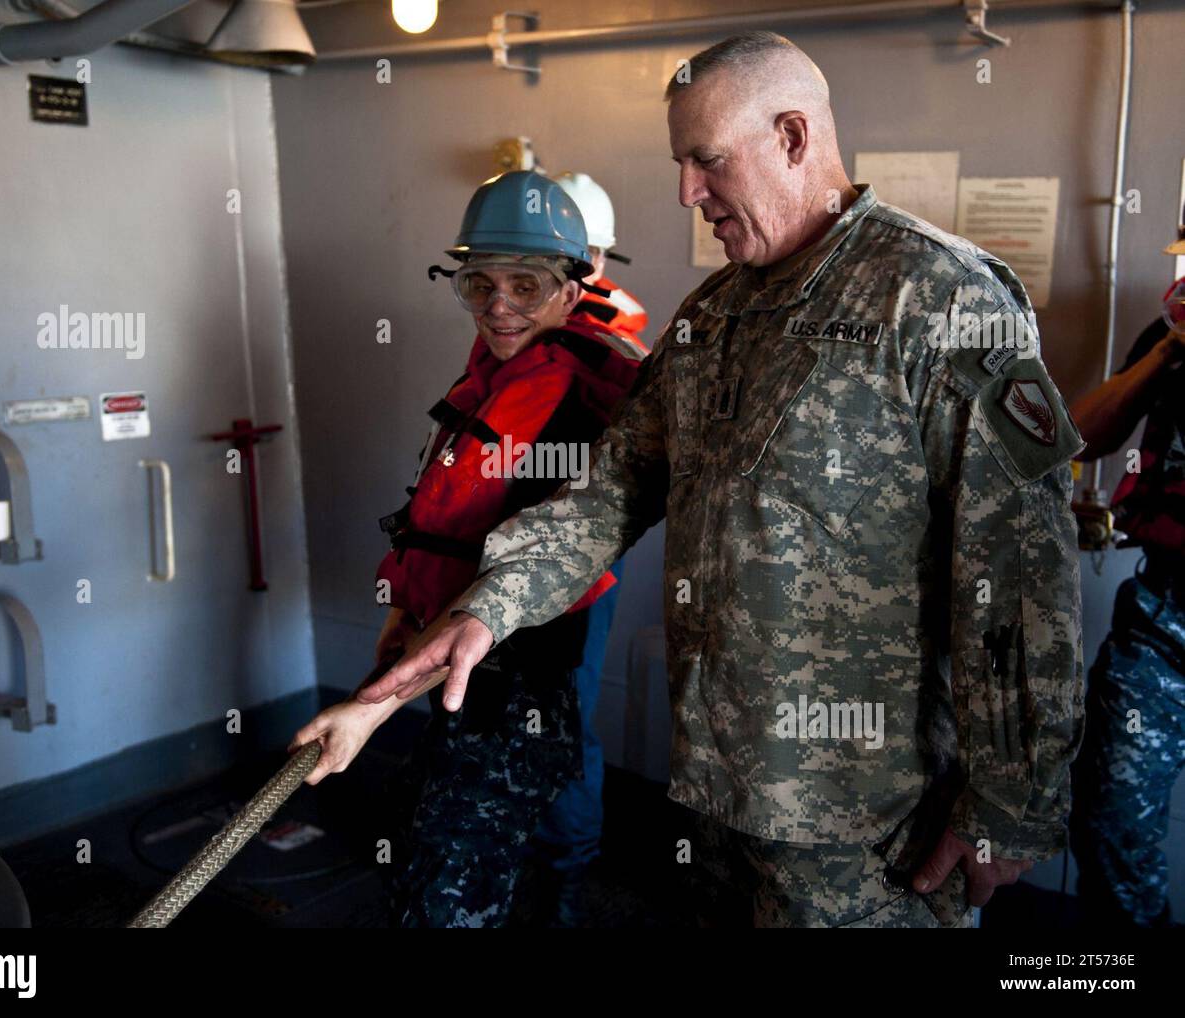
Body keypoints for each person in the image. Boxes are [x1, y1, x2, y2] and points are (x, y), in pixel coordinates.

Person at [360, 32, 1086, 928]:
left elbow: (1019, 572)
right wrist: (489, 606)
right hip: (715, 790)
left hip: (864, 818)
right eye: (680, 164)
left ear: (791, 135)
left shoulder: (936, 297)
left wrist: (1011, 801)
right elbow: (615, 485)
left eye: (704, 162)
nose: (685, 193)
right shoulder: (717, 311)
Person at [288, 170, 646, 927]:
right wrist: (407, 615)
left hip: (512, 674)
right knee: (429, 842)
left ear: (573, 287)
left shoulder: (573, 403)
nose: (497, 306)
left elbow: (513, 581)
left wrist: (369, 707)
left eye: (525, 285)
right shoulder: (502, 372)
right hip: (455, 664)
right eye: (478, 283)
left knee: (448, 897)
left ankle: (564, 900)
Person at [524, 172, 649, 925]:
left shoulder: (605, 353)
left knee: (563, 720)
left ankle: (565, 884)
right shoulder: (519, 337)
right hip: (505, 574)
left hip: (573, 579)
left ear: (592, 259)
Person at [1068, 256, 1185, 928]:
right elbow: (1083, 436)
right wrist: (1168, 347)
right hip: (1164, 626)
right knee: (1109, 822)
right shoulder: (1170, 341)